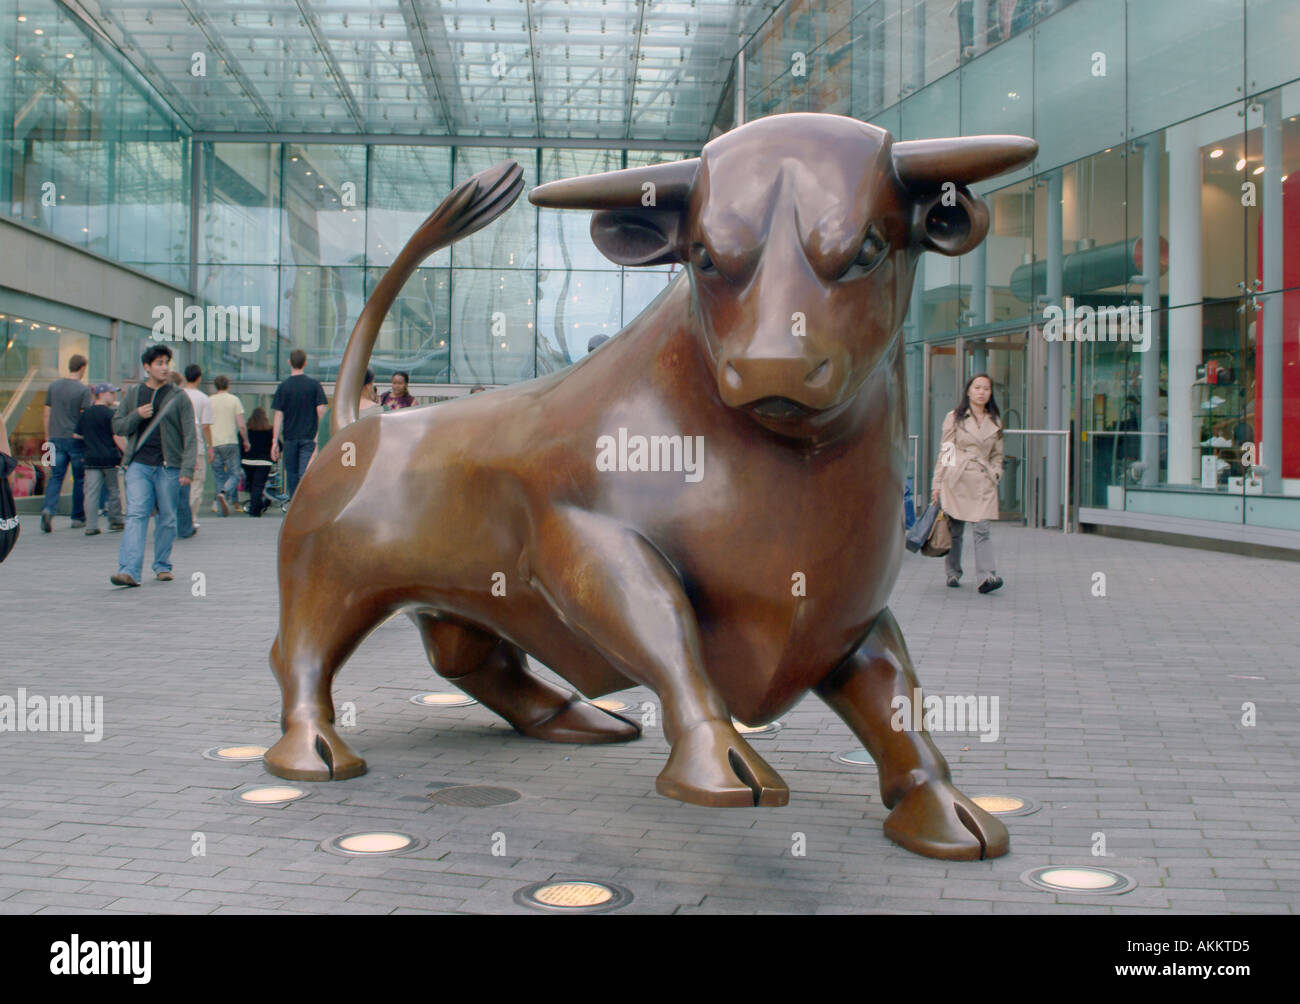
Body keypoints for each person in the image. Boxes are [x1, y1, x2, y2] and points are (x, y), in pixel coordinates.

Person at [111, 345, 196, 587]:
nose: (164, 367)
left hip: (169, 466)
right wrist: (137, 414)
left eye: (166, 362)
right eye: (158, 363)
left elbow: (190, 435)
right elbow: (118, 426)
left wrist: (187, 469)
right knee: (137, 515)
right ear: (147, 367)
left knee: (167, 518)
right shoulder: (134, 394)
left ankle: (162, 565)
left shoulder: (178, 396)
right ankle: (129, 570)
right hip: (139, 464)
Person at [931, 372, 1004, 594]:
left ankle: (986, 576)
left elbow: (997, 455)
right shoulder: (955, 417)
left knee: (982, 528)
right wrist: (938, 484)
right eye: (977, 388)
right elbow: (947, 451)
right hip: (958, 477)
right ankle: (953, 573)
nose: (982, 392)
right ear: (969, 391)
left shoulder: (995, 421)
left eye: (986, 389)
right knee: (955, 529)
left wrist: (996, 473)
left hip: (983, 479)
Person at [40, 353, 92, 532]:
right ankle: (77, 517)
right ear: (82, 367)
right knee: (79, 479)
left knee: (55, 477)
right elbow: (85, 416)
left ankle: (48, 509)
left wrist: (48, 436)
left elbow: (47, 413)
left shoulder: (54, 386)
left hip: (55, 438)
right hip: (75, 439)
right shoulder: (84, 390)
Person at [271, 348, 327, 498]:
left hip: (289, 437)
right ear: (305, 363)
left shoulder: (283, 387)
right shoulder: (314, 385)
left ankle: (294, 507)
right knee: (306, 473)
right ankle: (305, 505)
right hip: (309, 437)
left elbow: (278, 414)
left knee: (292, 474)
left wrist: (274, 441)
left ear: (289, 363)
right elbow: (321, 410)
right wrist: (320, 435)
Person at [74, 383, 126, 535]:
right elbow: (117, 436)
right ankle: (115, 521)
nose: (114, 396)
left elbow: (77, 435)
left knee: (91, 492)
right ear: (102, 394)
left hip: (91, 458)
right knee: (114, 490)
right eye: (111, 393)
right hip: (110, 458)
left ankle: (91, 526)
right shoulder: (110, 414)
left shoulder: (86, 414)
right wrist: (128, 452)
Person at [209, 375, 249, 516]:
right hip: (230, 442)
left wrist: (209, 444)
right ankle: (224, 491)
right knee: (235, 474)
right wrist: (245, 440)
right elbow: (241, 425)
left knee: (219, 476)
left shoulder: (210, 401)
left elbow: (206, 424)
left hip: (215, 443)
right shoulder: (234, 400)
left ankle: (221, 511)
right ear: (228, 385)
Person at [318, 368, 379, 451]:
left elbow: (322, 450)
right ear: (369, 386)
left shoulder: (331, 415)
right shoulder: (383, 413)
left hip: (338, 463)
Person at [183, 364, 214, 517]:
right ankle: (190, 518)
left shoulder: (178, 395)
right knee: (196, 484)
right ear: (199, 378)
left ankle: (179, 517)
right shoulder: (203, 398)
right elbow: (206, 426)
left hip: (178, 447)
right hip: (197, 447)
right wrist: (210, 446)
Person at [242, 408, 275, 517]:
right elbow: (278, 444)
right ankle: (255, 509)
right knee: (258, 485)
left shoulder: (247, 430)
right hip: (264, 462)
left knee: (252, 485)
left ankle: (257, 505)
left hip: (248, 461)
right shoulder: (269, 430)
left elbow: (241, 443)